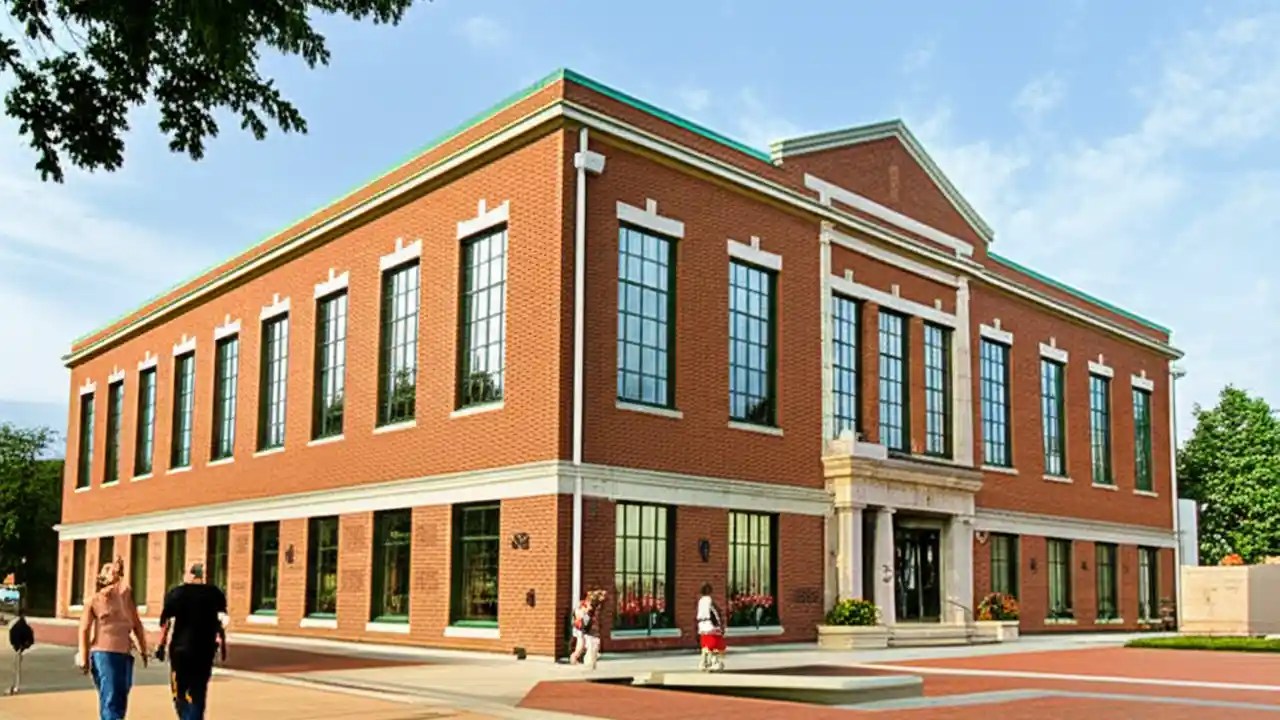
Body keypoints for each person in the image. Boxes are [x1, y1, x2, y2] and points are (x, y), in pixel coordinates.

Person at [77, 556, 148, 720]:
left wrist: (143, 650)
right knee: (111, 699)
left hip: (124, 655)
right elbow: (84, 629)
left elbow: (137, 625)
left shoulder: (125, 598)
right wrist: (84, 657)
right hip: (103, 655)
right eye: (107, 570)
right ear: (101, 578)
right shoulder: (93, 601)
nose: (113, 572)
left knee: (120, 697)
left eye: (113, 570)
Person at [157, 563, 227, 720]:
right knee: (199, 689)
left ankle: (186, 716)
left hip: (181, 650)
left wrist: (161, 644)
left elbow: (166, 622)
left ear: (187, 575)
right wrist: (222, 646)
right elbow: (221, 622)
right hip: (205, 649)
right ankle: (195, 716)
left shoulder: (177, 593)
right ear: (202, 575)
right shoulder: (214, 593)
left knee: (180, 691)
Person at [695, 583, 726, 672]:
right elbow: (715, 614)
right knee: (715, 644)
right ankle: (714, 662)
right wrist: (720, 625)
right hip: (710, 625)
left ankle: (704, 662)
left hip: (702, 625)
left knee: (705, 645)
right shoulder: (710, 601)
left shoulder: (700, 601)